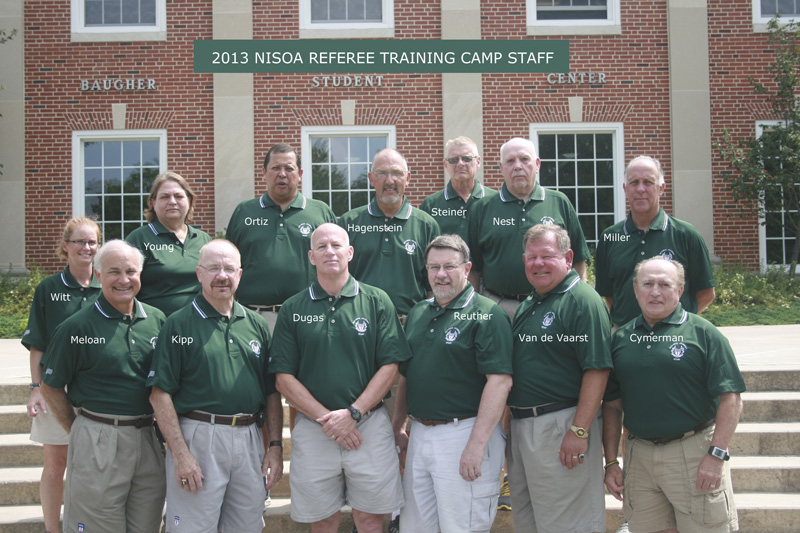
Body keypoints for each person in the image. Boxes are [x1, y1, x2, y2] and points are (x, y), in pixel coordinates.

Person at [270, 223, 410, 533]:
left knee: (370, 520)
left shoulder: (377, 301)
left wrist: (353, 413)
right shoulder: (292, 308)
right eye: (321, 247)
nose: (329, 251)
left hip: (368, 425)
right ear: (311, 257)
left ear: (350, 252)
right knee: (323, 522)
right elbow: (283, 377)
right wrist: (330, 420)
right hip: (314, 427)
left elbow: (390, 366)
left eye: (336, 245)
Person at [148, 239, 283, 533]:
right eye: (213, 269)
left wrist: (274, 446)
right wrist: (180, 454)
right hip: (199, 437)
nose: (222, 276)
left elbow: (271, 392)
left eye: (229, 269)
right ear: (199, 274)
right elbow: (160, 395)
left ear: (239, 274)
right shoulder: (178, 324)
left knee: (247, 527)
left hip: (249, 437)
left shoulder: (256, 324)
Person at [603, 257, 745, 533]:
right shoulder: (621, 339)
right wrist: (610, 462)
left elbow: (731, 399)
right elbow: (611, 406)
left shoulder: (704, 334)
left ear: (680, 291)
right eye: (647, 284)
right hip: (639, 455)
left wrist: (715, 456)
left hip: (694, 452)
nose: (655, 292)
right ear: (635, 289)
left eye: (664, 284)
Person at [40, 240, 166, 533]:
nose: (124, 280)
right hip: (99, 437)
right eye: (114, 272)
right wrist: (81, 429)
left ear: (140, 274)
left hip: (148, 437)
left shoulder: (157, 320)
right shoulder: (76, 328)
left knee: (147, 526)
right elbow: (51, 386)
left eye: (131, 271)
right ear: (98, 275)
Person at [392, 234, 512, 532]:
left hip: (464, 433)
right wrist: (398, 426)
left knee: (463, 527)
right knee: (414, 527)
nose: (441, 274)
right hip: (420, 433)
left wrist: (476, 445)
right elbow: (407, 374)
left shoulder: (488, 314)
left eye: (449, 266)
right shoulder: (418, 312)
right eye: (434, 267)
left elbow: (499, 383)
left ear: (467, 268)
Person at [507, 224, 611, 533]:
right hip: (523, 427)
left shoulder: (582, 300)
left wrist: (578, 431)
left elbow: (597, 369)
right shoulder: (530, 303)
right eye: (531, 257)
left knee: (568, 525)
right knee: (528, 523)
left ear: (568, 258)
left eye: (547, 256)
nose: (537, 263)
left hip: (561, 425)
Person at [21, 217, 102, 533]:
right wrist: (36, 387)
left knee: (95, 467)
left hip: (97, 389)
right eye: (79, 241)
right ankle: (53, 529)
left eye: (92, 241)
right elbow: (38, 344)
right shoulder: (49, 288)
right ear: (65, 246)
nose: (86, 247)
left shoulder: (108, 285)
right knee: (56, 465)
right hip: (56, 388)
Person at [468, 137, 590, 319]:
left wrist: (579, 303)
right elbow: (473, 268)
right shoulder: (482, 208)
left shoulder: (559, 202)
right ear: (501, 168)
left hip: (552, 306)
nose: (518, 166)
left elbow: (578, 260)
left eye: (524, 159)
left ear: (537, 164)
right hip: (496, 307)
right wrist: (474, 311)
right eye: (510, 161)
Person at [595, 155, 716, 327]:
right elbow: (609, 294)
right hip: (624, 336)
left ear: (661, 188)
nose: (641, 189)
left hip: (676, 336)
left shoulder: (686, 235)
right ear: (625, 189)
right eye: (634, 182)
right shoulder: (610, 237)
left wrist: (680, 327)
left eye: (648, 182)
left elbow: (706, 293)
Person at [227, 143, 337, 331]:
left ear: (300, 174)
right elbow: (228, 264)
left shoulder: (320, 213)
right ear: (264, 173)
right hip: (254, 318)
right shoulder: (244, 212)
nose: (282, 174)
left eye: (289, 168)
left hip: (309, 315)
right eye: (276, 168)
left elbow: (338, 264)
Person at [338, 148, 440, 317]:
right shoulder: (349, 223)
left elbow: (434, 285)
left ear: (408, 179)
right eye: (382, 173)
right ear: (371, 179)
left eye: (397, 173)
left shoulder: (426, 225)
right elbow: (337, 279)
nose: (390, 180)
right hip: (360, 322)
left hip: (410, 324)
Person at [126, 171, 212, 315]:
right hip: (156, 323)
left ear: (189, 201)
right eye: (165, 197)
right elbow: (123, 285)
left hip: (201, 321)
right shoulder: (139, 239)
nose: (172, 201)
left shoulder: (204, 240)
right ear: (153, 203)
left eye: (178, 196)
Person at [419, 136, 497, 243]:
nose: (460, 164)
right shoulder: (430, 205)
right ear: (445, 164)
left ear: (478, 162)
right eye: (453, 160)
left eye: (466, 159)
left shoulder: (495, 201)